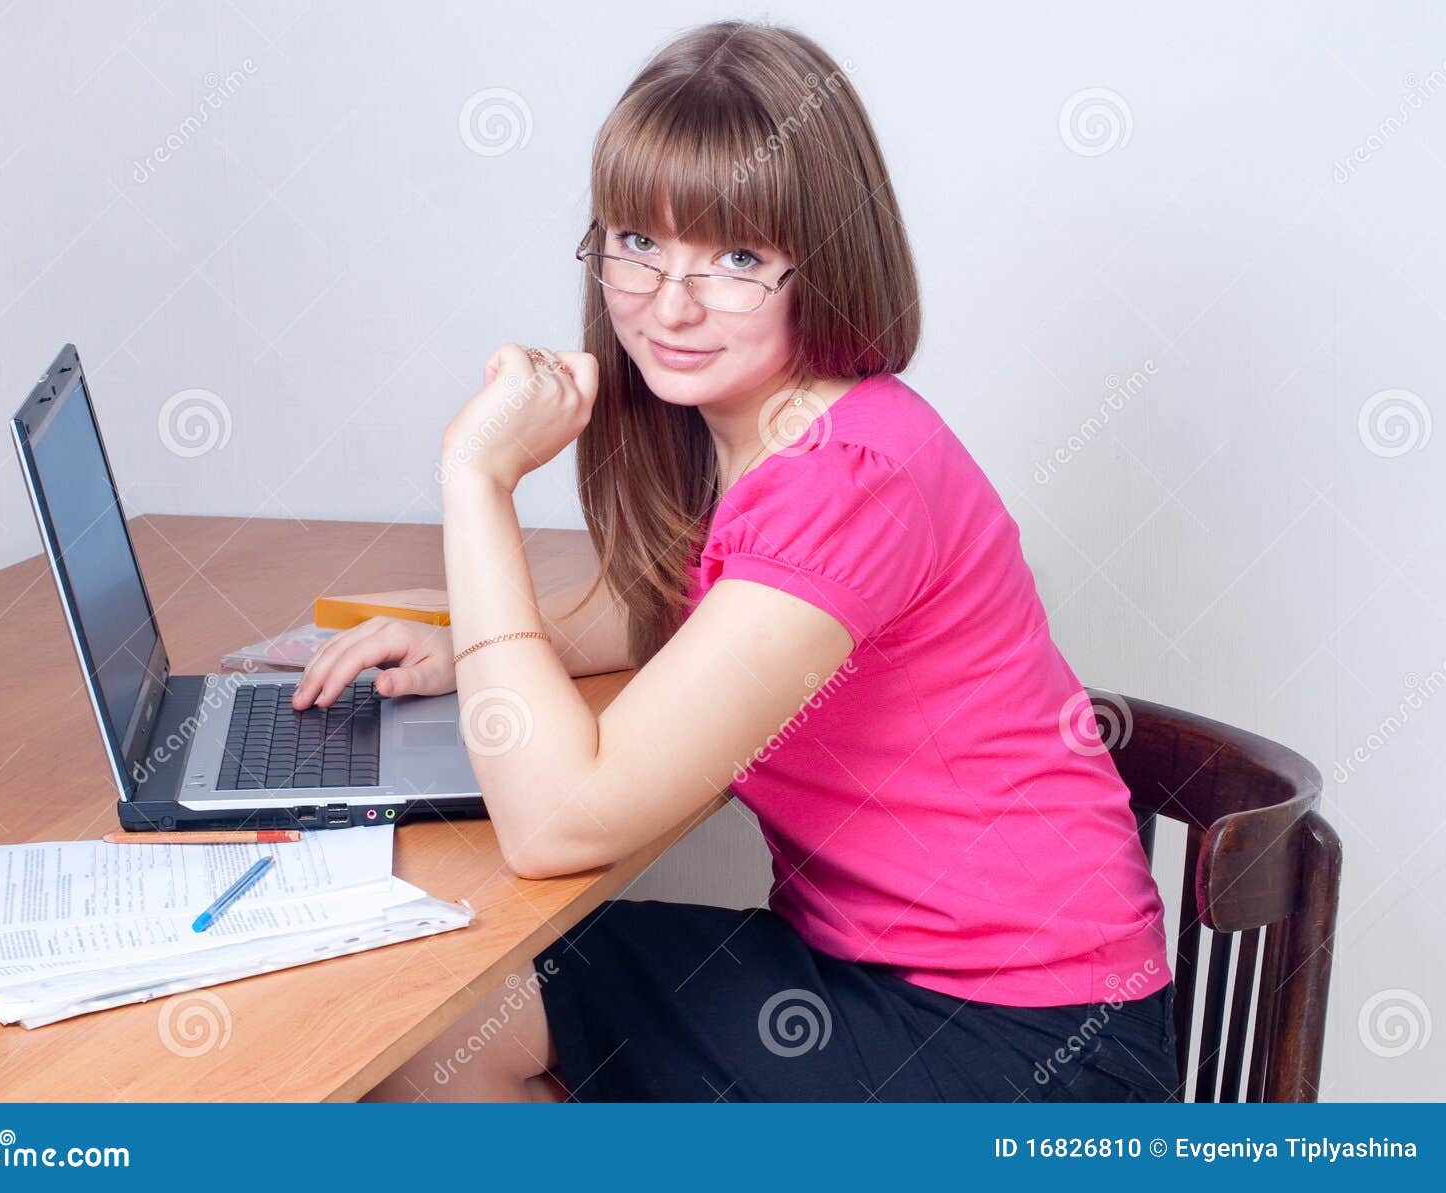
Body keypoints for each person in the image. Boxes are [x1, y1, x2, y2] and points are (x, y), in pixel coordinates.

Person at [295, 19, 1178, 1103]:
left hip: (1018, 1040)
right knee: (450, 1020)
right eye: (639, 242)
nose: (670, 302)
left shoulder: (843, 476)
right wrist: (469, 649)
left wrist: (475, 480)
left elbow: (554, 820)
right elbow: (692, 615)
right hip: (902, 972)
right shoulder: (767, 425)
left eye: (738, 257)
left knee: (434, 1046)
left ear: (826, 259)